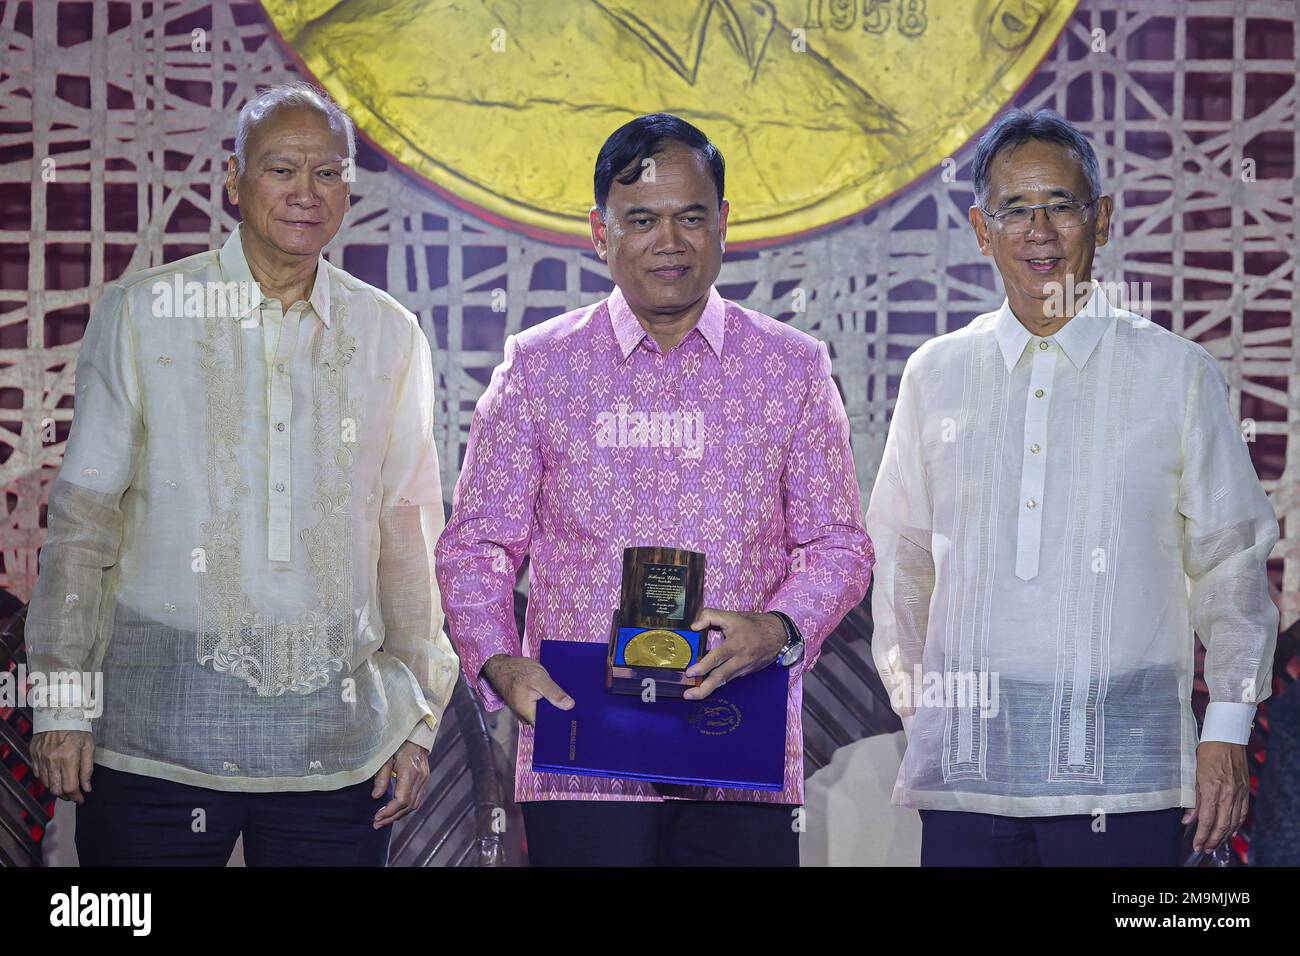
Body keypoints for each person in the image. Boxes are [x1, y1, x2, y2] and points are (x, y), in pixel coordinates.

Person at [25, 81, 458, 866]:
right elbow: (83, 523)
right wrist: (61, 702)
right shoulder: (144, 313)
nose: (306, 194)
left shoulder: (389, 335)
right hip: (152, 739)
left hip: (337, 751)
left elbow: (409, 539)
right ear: (234, 180)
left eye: (328, 173)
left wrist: (416, 721)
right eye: (281, 170)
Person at [435, 113, 873, 867]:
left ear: (724, 225)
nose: (667, 242)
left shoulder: (792, 369)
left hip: (742, 745)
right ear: (600, 232)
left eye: (690, 217)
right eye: (640, 219)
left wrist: (776, 628)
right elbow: (476, 546)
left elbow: (838, 545)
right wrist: (499, 663)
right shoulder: (539, 370)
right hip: (583, 753)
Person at [867, 108, 1279, 866]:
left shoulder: (1174, 372)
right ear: (981, 230)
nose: (1040, 231)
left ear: (1104, 219)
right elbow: (902, 558)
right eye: (1014, 209)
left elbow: (1230, 564)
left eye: (1062, 205)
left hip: (1126, 777)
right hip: (969, 776)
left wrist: (1225, 728)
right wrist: (924, 711)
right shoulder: (937, 374)